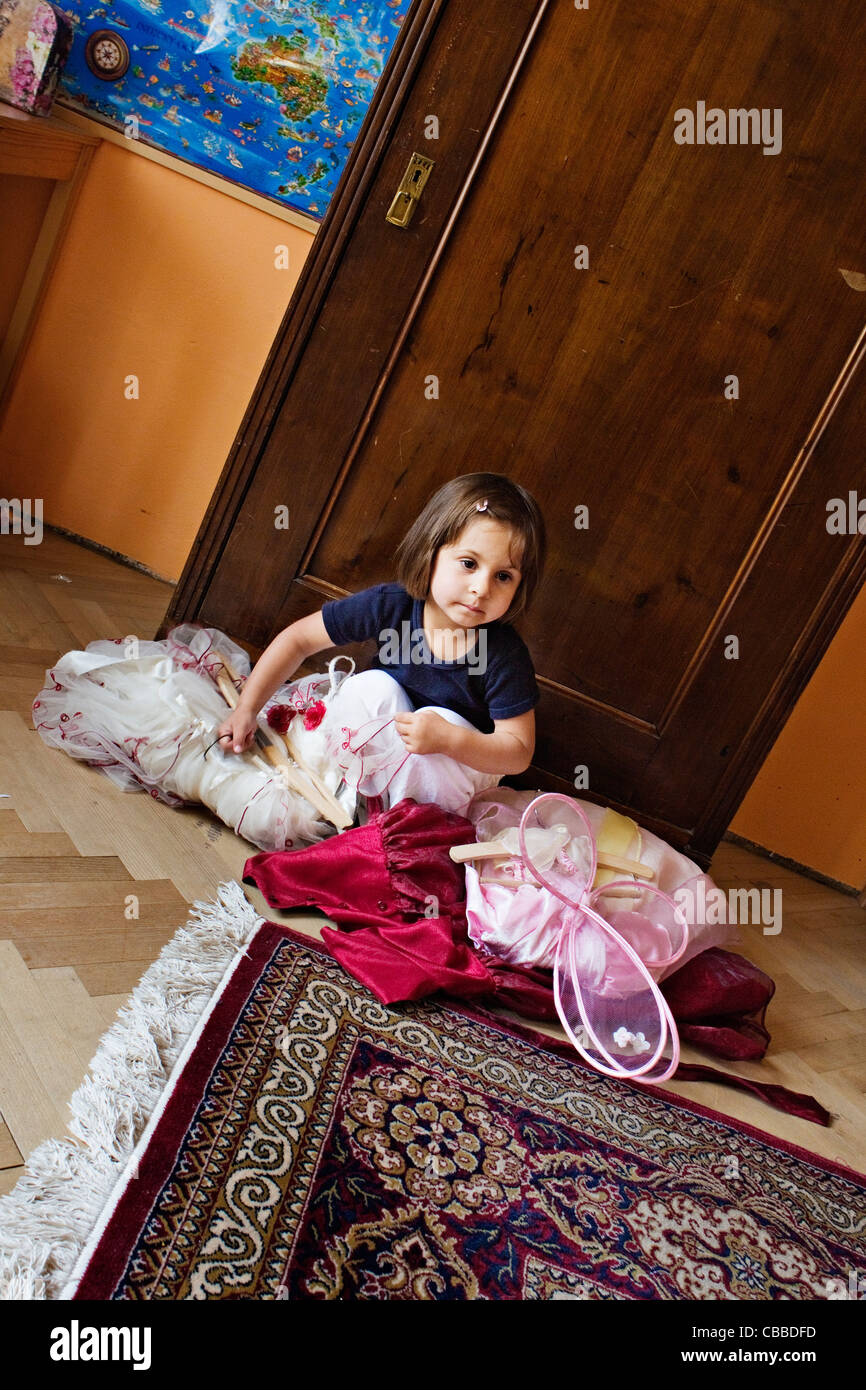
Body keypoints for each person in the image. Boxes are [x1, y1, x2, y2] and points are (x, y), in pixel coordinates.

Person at [217, 472, 547, 815]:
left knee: (438, 718)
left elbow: (518, 751)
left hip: (449, 775)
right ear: (430, 553)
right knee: (372, 688)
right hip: (379, 752)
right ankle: (353, 798)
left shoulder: (503, 654)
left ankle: (404, 825)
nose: (482, 588)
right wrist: (247, 709)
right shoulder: (392, 604)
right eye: (468, 563)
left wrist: (451, 739)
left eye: (503, 576)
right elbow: (299, 640)